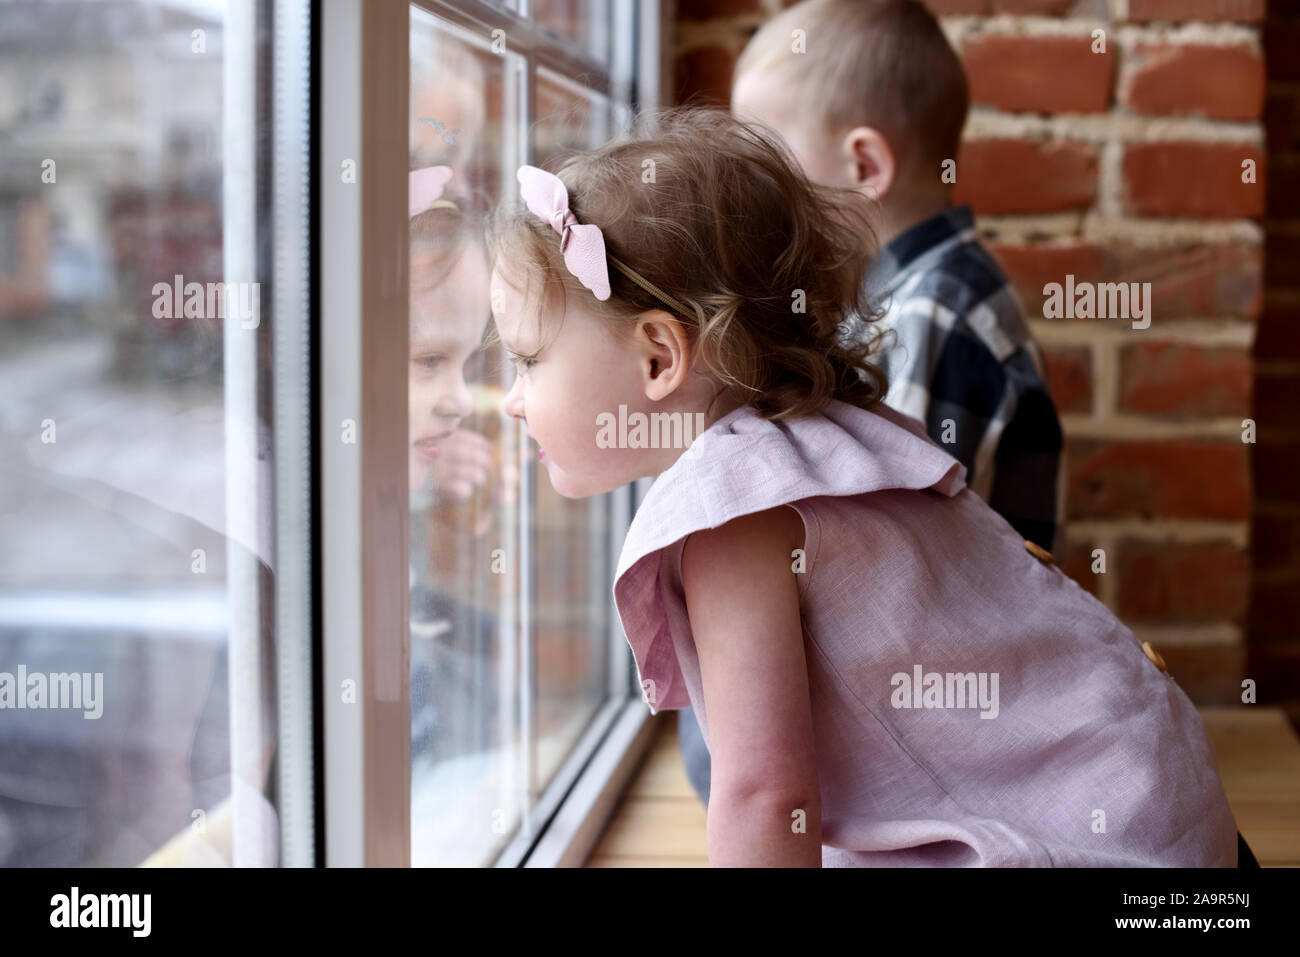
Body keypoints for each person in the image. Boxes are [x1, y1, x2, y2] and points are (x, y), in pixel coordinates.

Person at [486, 105, 1245, 866]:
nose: (512, 397)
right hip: (1161, 803)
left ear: (658, 357)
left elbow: (764, 796)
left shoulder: (728, 510)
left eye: (526, 359)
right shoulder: (837, 432)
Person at [671, 0, 1069, 812]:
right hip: (938, 668)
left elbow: (888, 544)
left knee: (730, 729)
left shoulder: (936, 311)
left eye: (773, 171)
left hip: (964, 684)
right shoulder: (905, 295)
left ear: (862, 166)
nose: (760, 201)